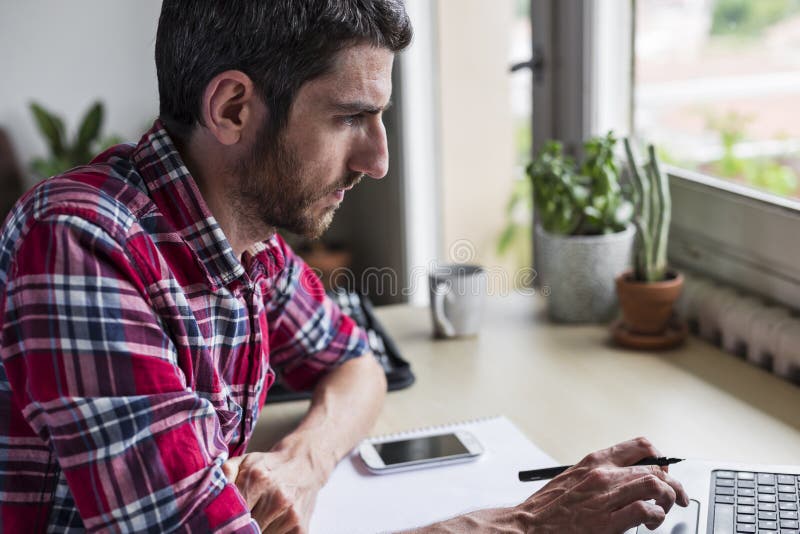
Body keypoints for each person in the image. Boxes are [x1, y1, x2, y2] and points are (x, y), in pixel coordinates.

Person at [0, 1, 688, 532]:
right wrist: (526, 523)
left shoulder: (245, 241)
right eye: (350, 117)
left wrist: (304, 459)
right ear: (233, 108)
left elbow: (357, 361)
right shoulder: (80, 245)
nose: (378, 160)